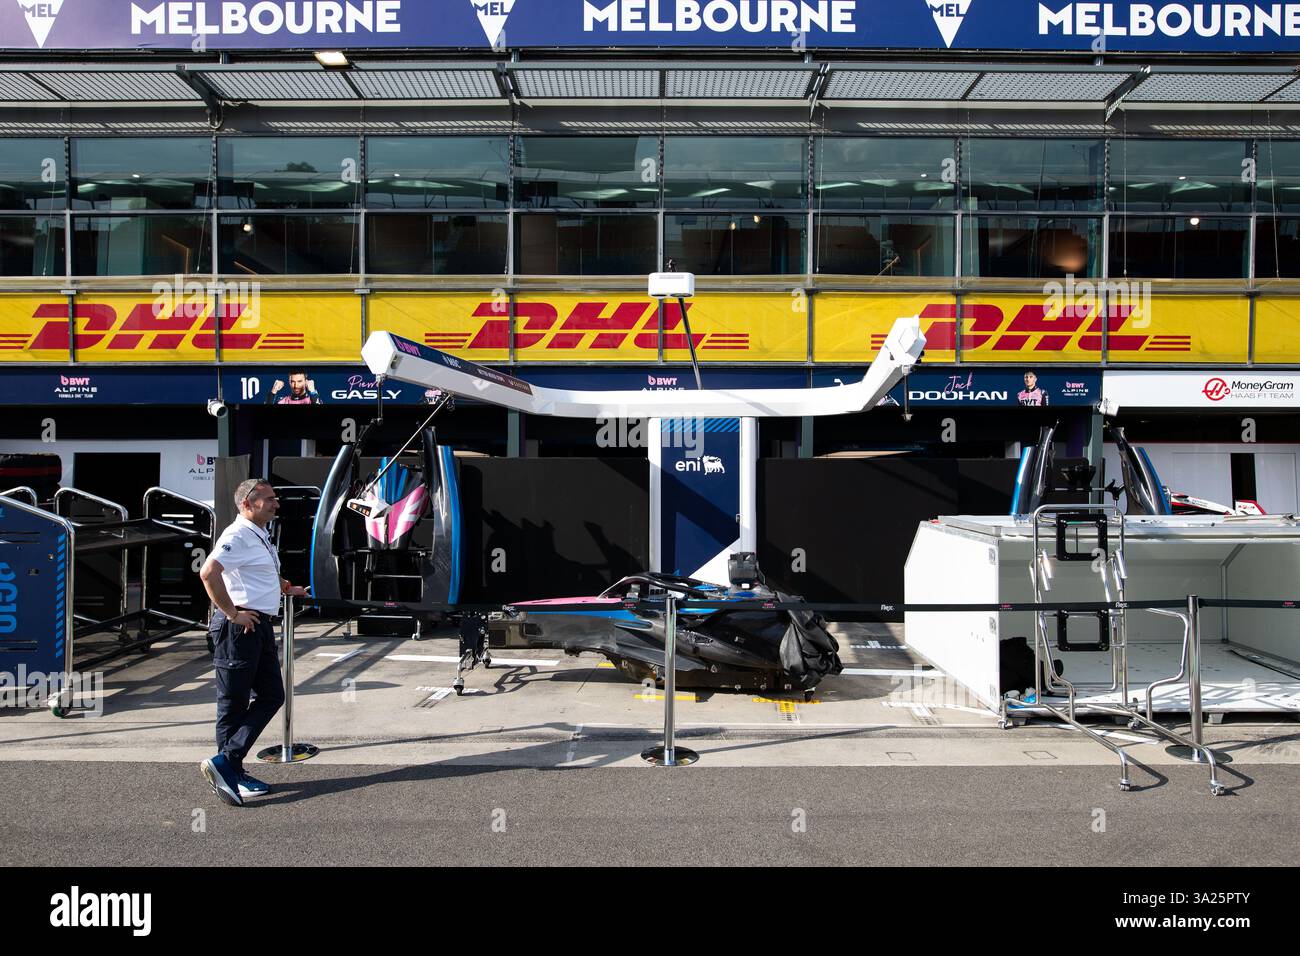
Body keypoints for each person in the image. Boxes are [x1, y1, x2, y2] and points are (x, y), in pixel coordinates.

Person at [198, 478, 309, 807]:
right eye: (268, 499)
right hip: (239, 627)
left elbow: (259, 573)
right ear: (247, 504)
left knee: (272, 694)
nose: (276, 503)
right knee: (232, 704)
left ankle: (229, 765)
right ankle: (229, 768)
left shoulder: (258, 534)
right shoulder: (237, 534)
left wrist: (286, 588)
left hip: (257, 624)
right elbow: (209, 573)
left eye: (275, 498)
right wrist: (233, 615)